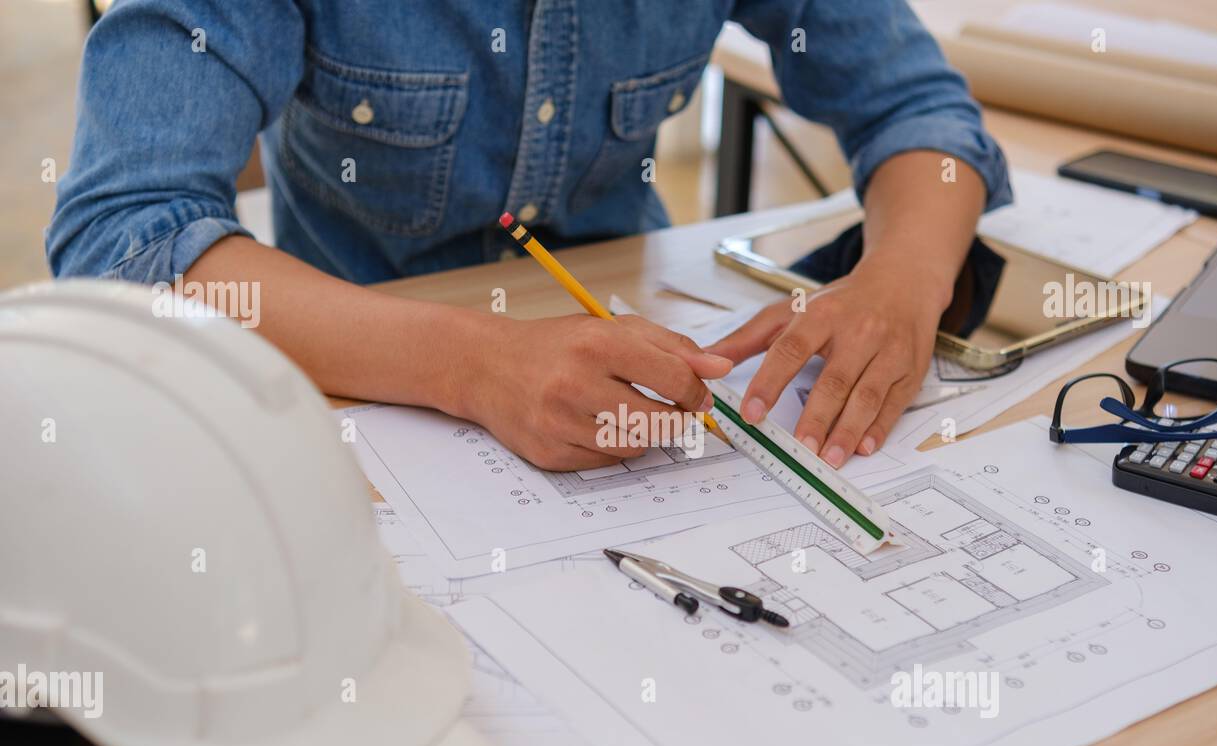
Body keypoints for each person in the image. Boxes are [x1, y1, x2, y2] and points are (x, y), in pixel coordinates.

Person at [48, 0, 1010, 471]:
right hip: (346, 381)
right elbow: (122, 231)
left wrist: (906, 276)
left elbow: (916, 108)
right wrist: (472, 365)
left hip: (641, 349)